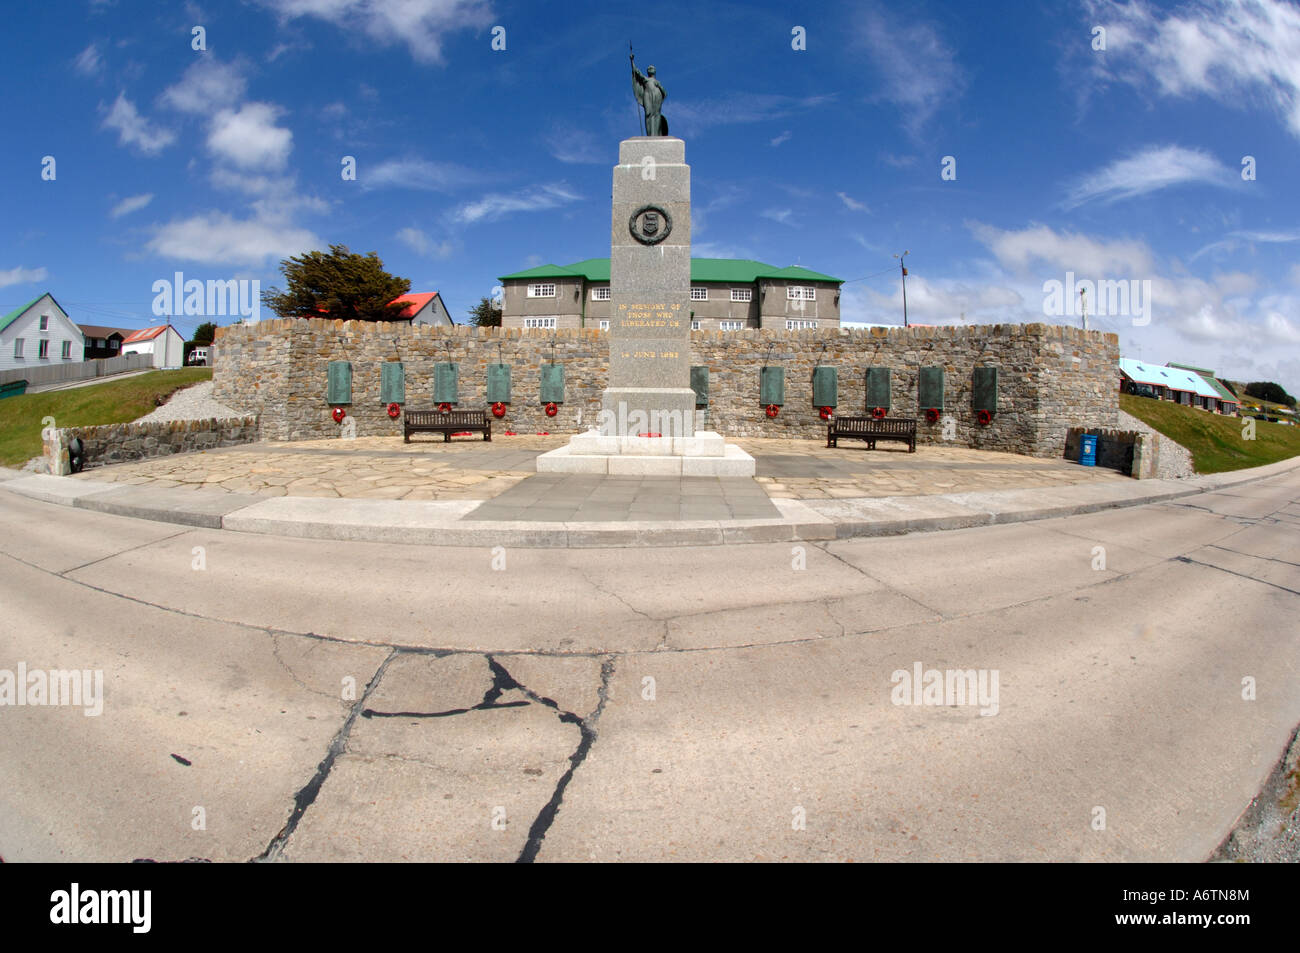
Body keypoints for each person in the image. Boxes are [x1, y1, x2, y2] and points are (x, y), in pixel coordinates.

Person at [630, 54, 667, 136]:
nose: (650, 68)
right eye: (649, 68)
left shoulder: (658, 82)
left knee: (656, 114)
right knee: (648, 114)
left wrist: (660, 87)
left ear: (655, 71)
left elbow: (665, 93)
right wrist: (632, 61)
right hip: (647, 95)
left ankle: (656, 134)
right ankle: (650, 134)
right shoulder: (645, 79)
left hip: (657, 96)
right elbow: (636, 72)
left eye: (652, 68)